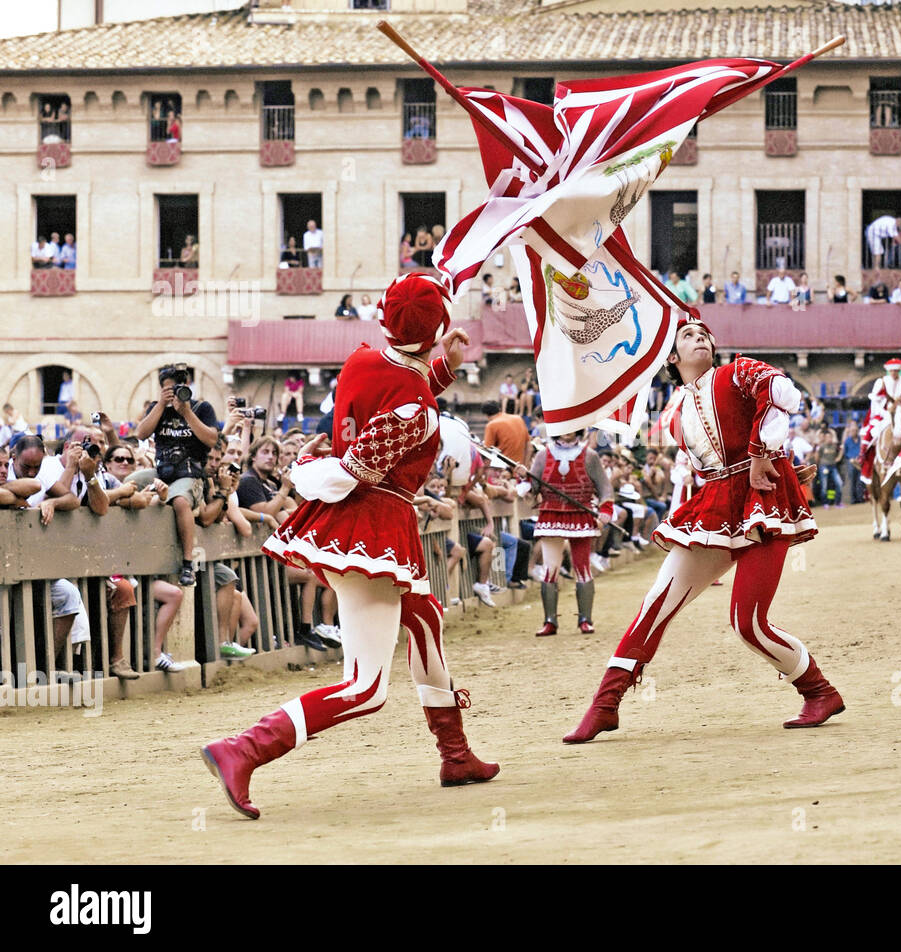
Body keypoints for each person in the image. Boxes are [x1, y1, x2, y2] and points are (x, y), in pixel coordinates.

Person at [203, 273, 499, 821]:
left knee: (426, 619)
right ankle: (243, 749)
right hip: (373, 531)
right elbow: (368, 457)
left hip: (353, 523)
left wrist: (442, 369)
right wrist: (307, 467)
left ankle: (455, 755)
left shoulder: (362, 360)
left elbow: (397, 394)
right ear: (436, 332)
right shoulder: (416, 407)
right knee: (366, 689)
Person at [562, 316, 843, 744]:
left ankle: (818, 691)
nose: (701, 339)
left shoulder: (736, 371)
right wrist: (773, 458)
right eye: (689, 336)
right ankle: (605, 705)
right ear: (672, 358)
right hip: (716, 505)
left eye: (705, 334)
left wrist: (766, 456)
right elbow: (709, 463)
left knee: (747, 622)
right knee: (655, 602)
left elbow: (780, 392)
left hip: (762, 504)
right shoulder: (676, 412)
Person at [132, 366, 219, 587]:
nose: (173, 394)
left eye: (178, 388)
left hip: (190, 472)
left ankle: (188, 563)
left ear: (187, 387)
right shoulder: (156, 407)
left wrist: (186, 412)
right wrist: (162, 404)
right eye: (168, 389)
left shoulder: (202, 408)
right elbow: (140, 434)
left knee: (180, 502)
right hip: (162, 470)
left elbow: (211, 440)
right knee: (129, 483)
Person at [524, 430, 614, 636]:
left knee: (582, 568)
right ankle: (550, 620)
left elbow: (605, 488)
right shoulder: (543, 455)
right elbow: (533, 489)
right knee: (550, 568)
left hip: (580, 513)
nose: (567, 432)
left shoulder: (589, 455)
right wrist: (524, 477)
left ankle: (585, 619)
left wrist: (606, 510)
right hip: (550, 514)